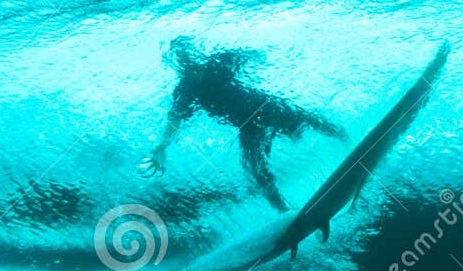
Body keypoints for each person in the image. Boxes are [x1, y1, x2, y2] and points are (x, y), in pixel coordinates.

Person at [139, 36, 346, 210]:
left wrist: (245, 57)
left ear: (196, 56)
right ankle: (284, 210)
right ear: (180, 65)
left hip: (266, 106)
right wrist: (161, 146)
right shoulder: (186, 89)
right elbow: (174, 120)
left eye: (190, 56)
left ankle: (346, 139)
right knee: (253, 167)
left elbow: (257, 54)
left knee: (310, 119)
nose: (188, 63)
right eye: (183, 60)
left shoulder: (218, 62)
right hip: (248, 127)